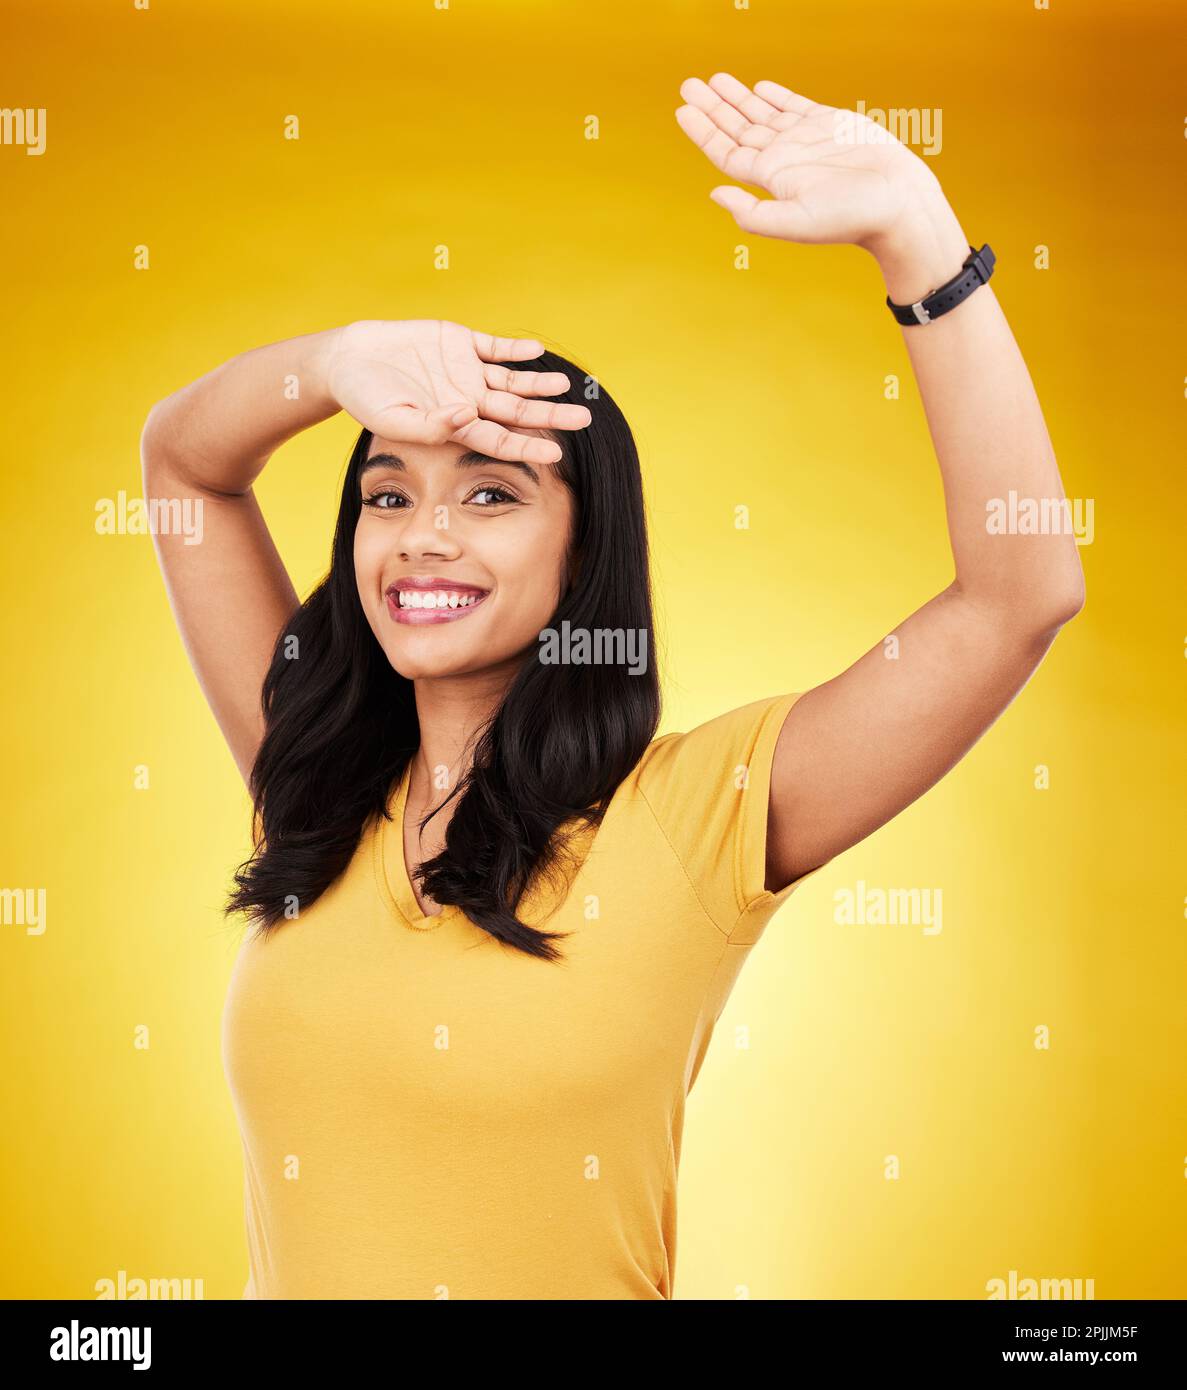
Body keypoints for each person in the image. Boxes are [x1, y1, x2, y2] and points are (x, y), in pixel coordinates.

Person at [141, 74, 1084, 1299]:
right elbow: (180, 464)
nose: (422, 535)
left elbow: (1018, 595)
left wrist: (920, 239)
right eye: (387, 493)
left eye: (489, 492)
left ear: (583, 552)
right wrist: (332, 364)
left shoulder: (697, 815)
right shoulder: (311, 785)